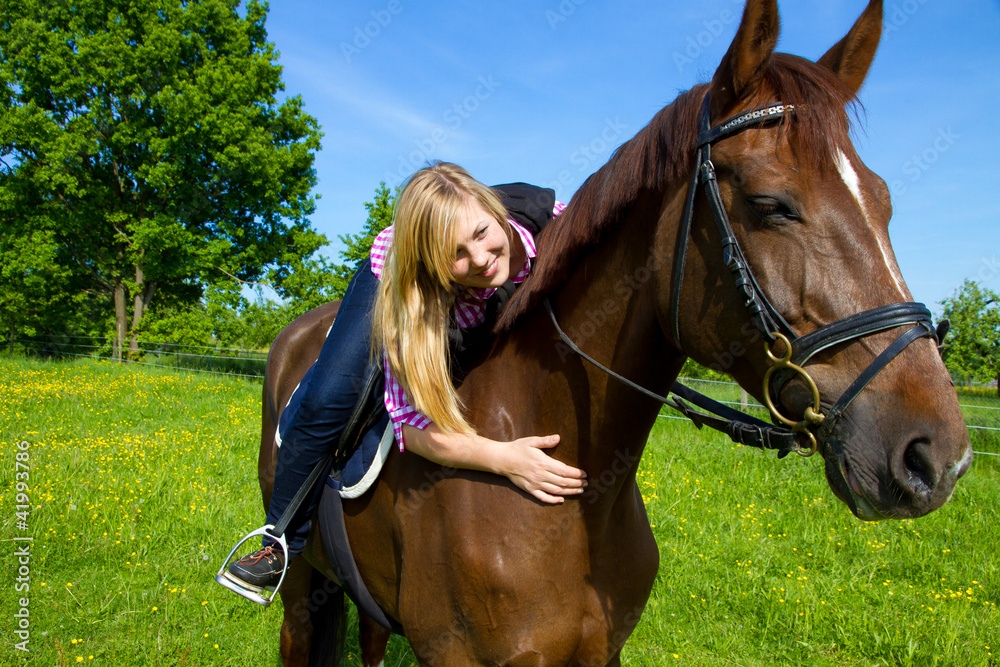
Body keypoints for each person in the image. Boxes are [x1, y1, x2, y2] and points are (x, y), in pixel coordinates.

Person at [222, 162, 588, 594]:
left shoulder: (545, 214)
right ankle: (278, 540)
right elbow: (411, 431)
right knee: (331, 394)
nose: (482, 260)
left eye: (482, 234)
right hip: (398, 279)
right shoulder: (416, 295)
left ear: (494, 208)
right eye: (457, 254)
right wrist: (505, 459)